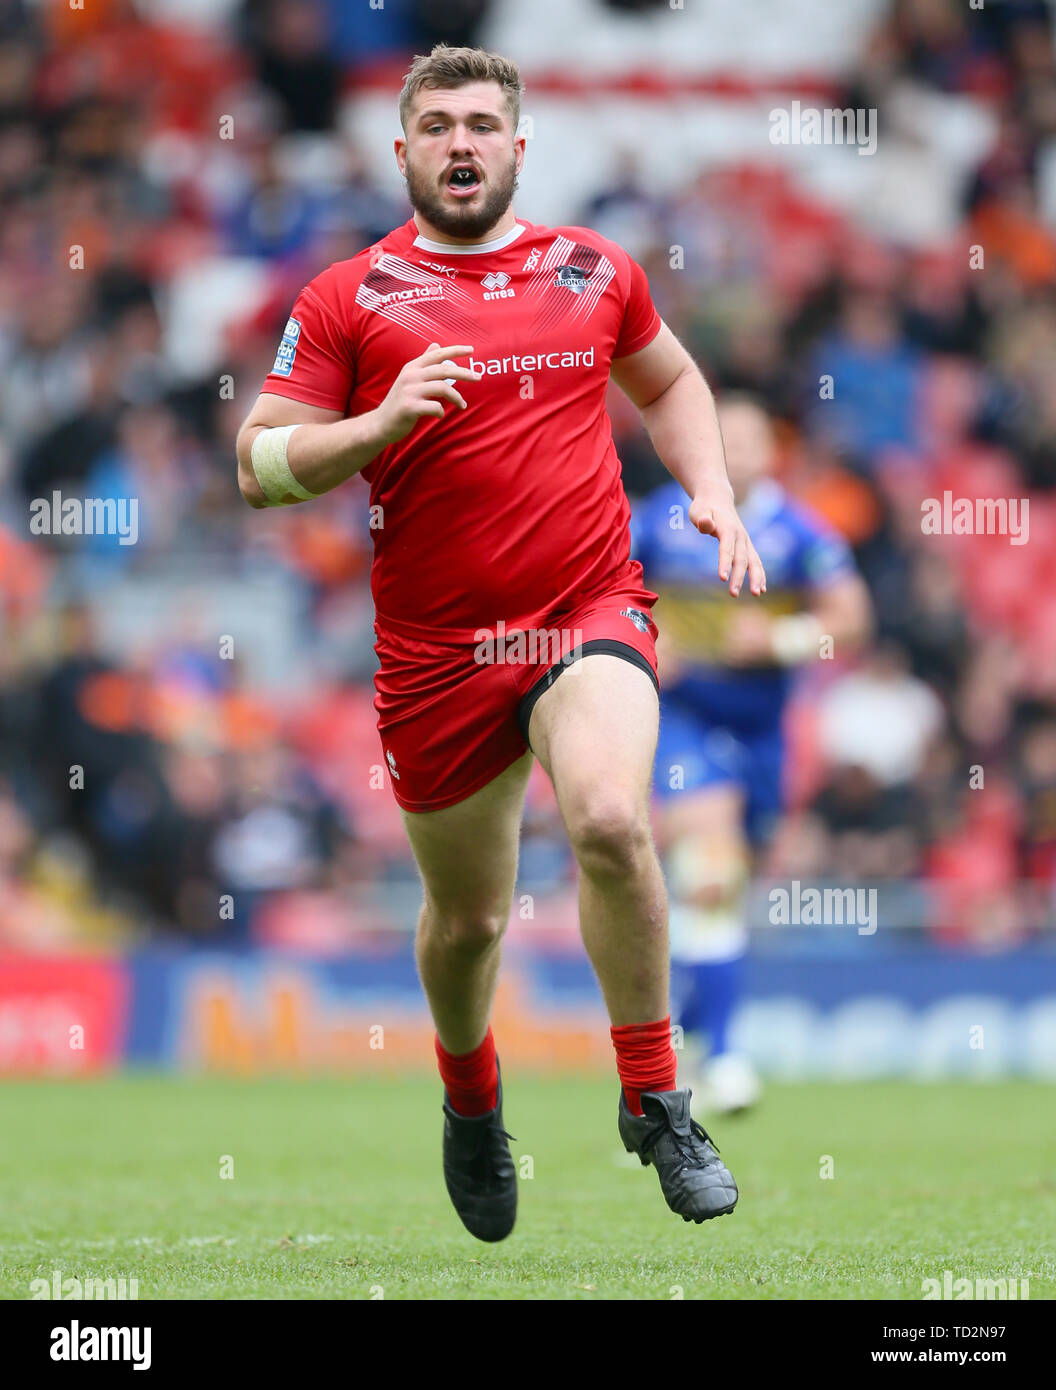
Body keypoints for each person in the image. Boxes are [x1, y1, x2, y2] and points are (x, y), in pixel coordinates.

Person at [235, 44, 766, 1242]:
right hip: (438, 653)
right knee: (468, 922)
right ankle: (471, 1102)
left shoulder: (594, 270)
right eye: (438, 126)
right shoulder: (348, 297)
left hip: (588, 609)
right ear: (403, 149)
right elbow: (259, 467)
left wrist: (714, 490)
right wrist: (377, 419)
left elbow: (672, 381)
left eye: (482, 124)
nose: (461, 143)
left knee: (616, 825)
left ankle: (655, 1098)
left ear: (519, 147)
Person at [633, 396, 871, 1113]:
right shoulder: (657, 517)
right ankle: (727, 1060)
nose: (731, 449)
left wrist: (779, 640)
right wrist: (643, 636)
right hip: (684, 719)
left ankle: (684, 1048)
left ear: (774, 451)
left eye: (746, 438)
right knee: (710, 864)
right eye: (719, 435)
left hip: (763, 732)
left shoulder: (800, 531)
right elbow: (602, 594)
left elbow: (851, 623)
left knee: (731, 885)